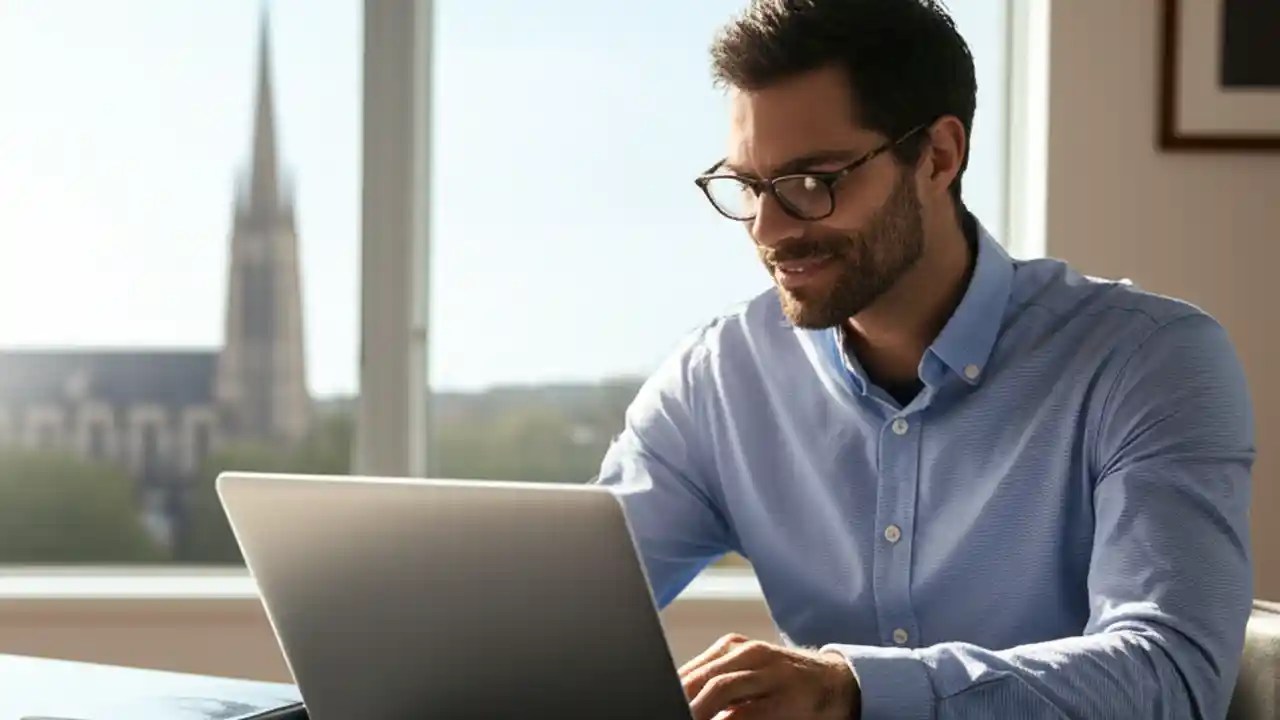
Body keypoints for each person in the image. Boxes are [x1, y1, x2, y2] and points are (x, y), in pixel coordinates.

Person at [592, 1, 1255, 718]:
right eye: (750, 187)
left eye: (813, 182)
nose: (769, 229)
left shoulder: (1146, 361)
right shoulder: (716, 380)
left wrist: (854, 689)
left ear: (938, 156)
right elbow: (564, 606)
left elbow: (1171, 675)